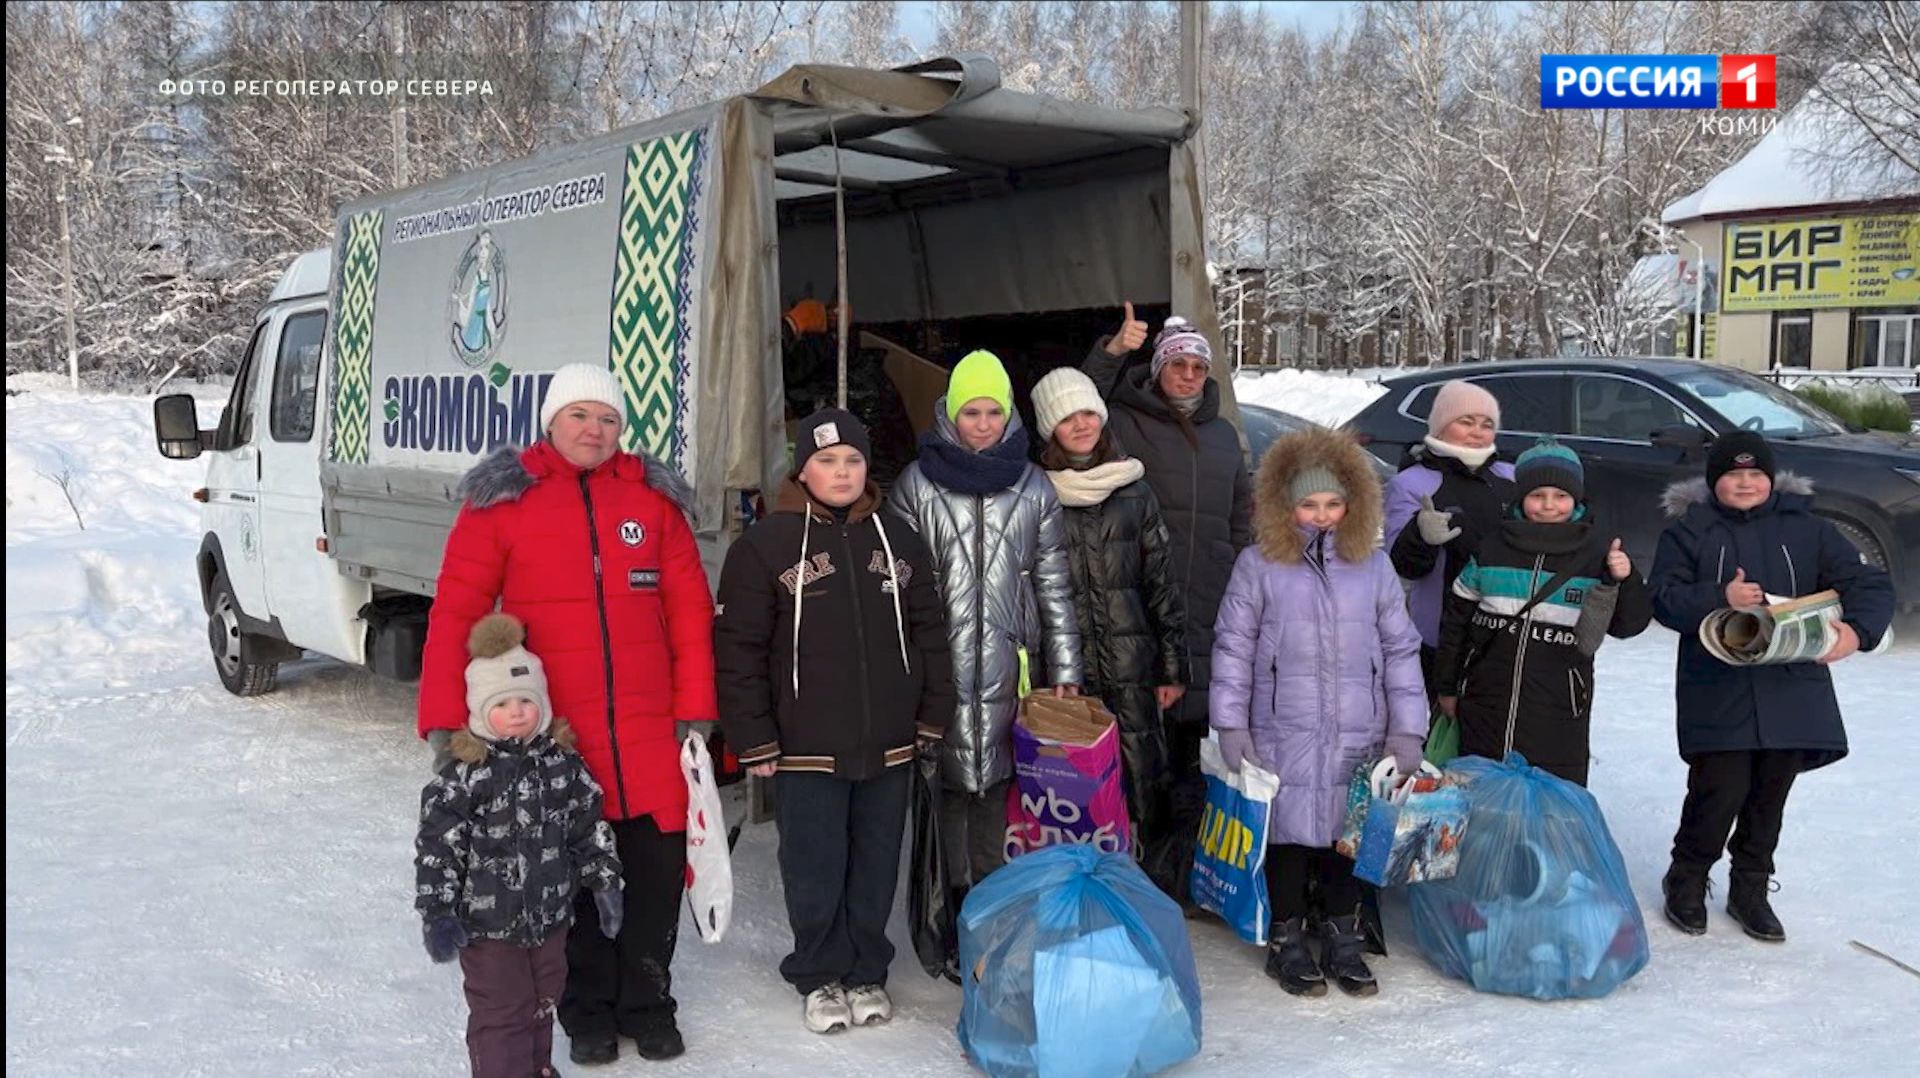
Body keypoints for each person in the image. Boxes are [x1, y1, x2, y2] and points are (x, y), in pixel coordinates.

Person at [417, 363, 717, 1066]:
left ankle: (649, 1003)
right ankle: (585, 1012)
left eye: (608, 419)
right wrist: (444, 718)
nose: (595, 430)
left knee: (652, 871)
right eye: (580, 416)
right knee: (569, 881)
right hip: (553, 740)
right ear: (551, 421)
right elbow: (456, 608)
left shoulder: (651, 500)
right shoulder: (503, 500)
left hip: (647, 730)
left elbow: (689, 613)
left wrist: (695, 710)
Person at [713, 408, 954, 1034]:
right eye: (826, 461)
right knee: (815, 862)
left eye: (852, 460)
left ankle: (867, 969)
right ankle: (820, 974)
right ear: (803, 469)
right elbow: (737, 649)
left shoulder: (898, 538)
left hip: (889, 744)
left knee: (876, 859)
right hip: (805, 747)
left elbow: (930, 633)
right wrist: (753, 736)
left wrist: (932, 713)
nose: (841, 472)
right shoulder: (763, 547)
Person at [1649, 432, 1893, 942]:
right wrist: (1721, 595)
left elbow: (1867, 583)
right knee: (1719, 789)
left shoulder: (1808, 529)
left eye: (1755, 474)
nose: (1745, 483)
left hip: (1792, 684)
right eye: (1733, 474)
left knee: (1770, 793)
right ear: (1715, 481)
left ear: (1770, 478)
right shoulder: (1690, 531)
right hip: (1717, 684)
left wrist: (1857, 632)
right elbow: (1665, 598)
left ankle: (1751, 887)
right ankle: (1687, 878)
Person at [1209, 427, 1426, 998]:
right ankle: (1286, 936)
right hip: (1283, 729)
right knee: (1286, 839)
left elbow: (1401, 650)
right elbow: (1232, 647)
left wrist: (1407, 727)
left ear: (1352, 505)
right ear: (1286, 506)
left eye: (1332, 504)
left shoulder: (1373, 568)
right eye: (1309, 504)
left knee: (1345, 839)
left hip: (1361, 730)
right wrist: (1231, 722)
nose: (1321, 515)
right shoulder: (1259, 566)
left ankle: (1341, 931)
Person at [889, 349, 1082, 898]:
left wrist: (1065, 667)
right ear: (949, 413)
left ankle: (992, 907)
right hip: (939, 666)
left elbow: (1053, 584)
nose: (981, 424)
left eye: (992, 412)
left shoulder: (1033, 487)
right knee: (946, 789)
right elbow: (899, 587)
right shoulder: (916, 485)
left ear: (1009, 415)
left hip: (1010, 665)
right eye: (970, 412)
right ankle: (949, 909)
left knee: (1000, 788)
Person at [1085, 306, 1252, 898]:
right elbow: (1078, 413)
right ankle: (1135, 867)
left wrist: (1241, 577)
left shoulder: (1224, 435)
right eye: (1177, 364)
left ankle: (1184, 873)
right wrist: (1111, 352)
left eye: (1198, 367)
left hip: (1209, 603)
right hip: (1139, 601)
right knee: (1139, 744)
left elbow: (1241, 520)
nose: (1188, 375)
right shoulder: (1126, 423)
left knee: (1193, 749)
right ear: (1157, 369)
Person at [416, 613, 625, 1078]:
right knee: (501, 1013)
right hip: (488, 926)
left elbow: (588, 828)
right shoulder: (465, 778)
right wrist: (438, 912)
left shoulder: (563, 766)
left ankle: (537, 1070)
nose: (516, 711)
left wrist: (605, 882)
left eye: (526, 701)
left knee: (541, 1003)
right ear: (478, 709)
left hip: (550, 919)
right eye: (503, 703)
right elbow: (438, 850)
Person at [1029, 366, 1187, 895]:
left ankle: (1151, 886)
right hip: (1068, 673)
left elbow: (1161, 582)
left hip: (1133, 666)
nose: (1081, 424)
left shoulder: (1133, 490)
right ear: (1050, 428)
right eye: (1068, 416)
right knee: (1076, 788)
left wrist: (1171, 665)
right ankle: (1084, 891)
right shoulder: (1036, 494)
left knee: (1145, 777)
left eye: (1089, 412)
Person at [1433, 439, 1653, 786]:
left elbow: (1629, 625)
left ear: (1576, 499)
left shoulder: (1596, 553)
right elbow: (1455, 623)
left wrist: (1623, 580)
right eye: (1537, 496)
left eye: (1561, 496)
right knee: (1482, 804)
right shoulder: (1491, 547)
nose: (1549, 506)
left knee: (1548, 808)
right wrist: (1447, 685)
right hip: (1485, 701)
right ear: (1521, 497)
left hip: (1558, 710)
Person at [1381, 379, 1517, 691]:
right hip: (1441, 632)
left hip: (1506, 624)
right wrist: (1419, 534)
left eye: (1486, 424)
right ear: (1441, 426)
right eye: (1465, 422)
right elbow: (1402, 567)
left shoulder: (1510, 477)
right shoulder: (1412, 482)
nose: (1477, 432)